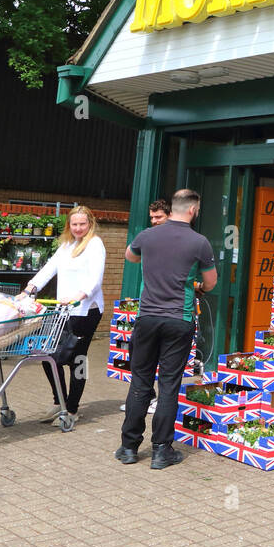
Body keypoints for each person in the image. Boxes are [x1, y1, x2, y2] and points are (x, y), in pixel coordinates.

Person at [117, 188, 216, 469]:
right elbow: (211, 283)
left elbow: (130, 256)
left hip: (147, 318)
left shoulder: (147, 236)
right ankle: (161, 451)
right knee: (169, 384)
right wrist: (194, 284)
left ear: (172, 208)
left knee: (140, 382)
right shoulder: (200, 242)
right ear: (194, 210)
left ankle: (128, 448)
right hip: (178, 319)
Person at [24, 206, 106, 426]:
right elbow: (49, 269)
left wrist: (80, 295)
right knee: (49, 355)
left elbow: (95, 278)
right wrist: (30, 288)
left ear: (90, 223)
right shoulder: (66, 245)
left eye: (82, 224)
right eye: (74, 224)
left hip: (86, 310)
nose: (78, 228)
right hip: (63, 311)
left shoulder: (95, 244)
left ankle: (72, 408)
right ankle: (58, 400)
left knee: (77, 358)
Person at [117, 197, 171, 415]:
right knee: (138, 357)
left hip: (170, 310)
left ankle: (158, 400)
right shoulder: (148, 238)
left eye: (159, 217)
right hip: (146, 308)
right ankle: (144, 398)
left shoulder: (178, 241)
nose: (155, 221)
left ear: (170, 216)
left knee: (165, 360)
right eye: (152, 218)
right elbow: (131, 256)